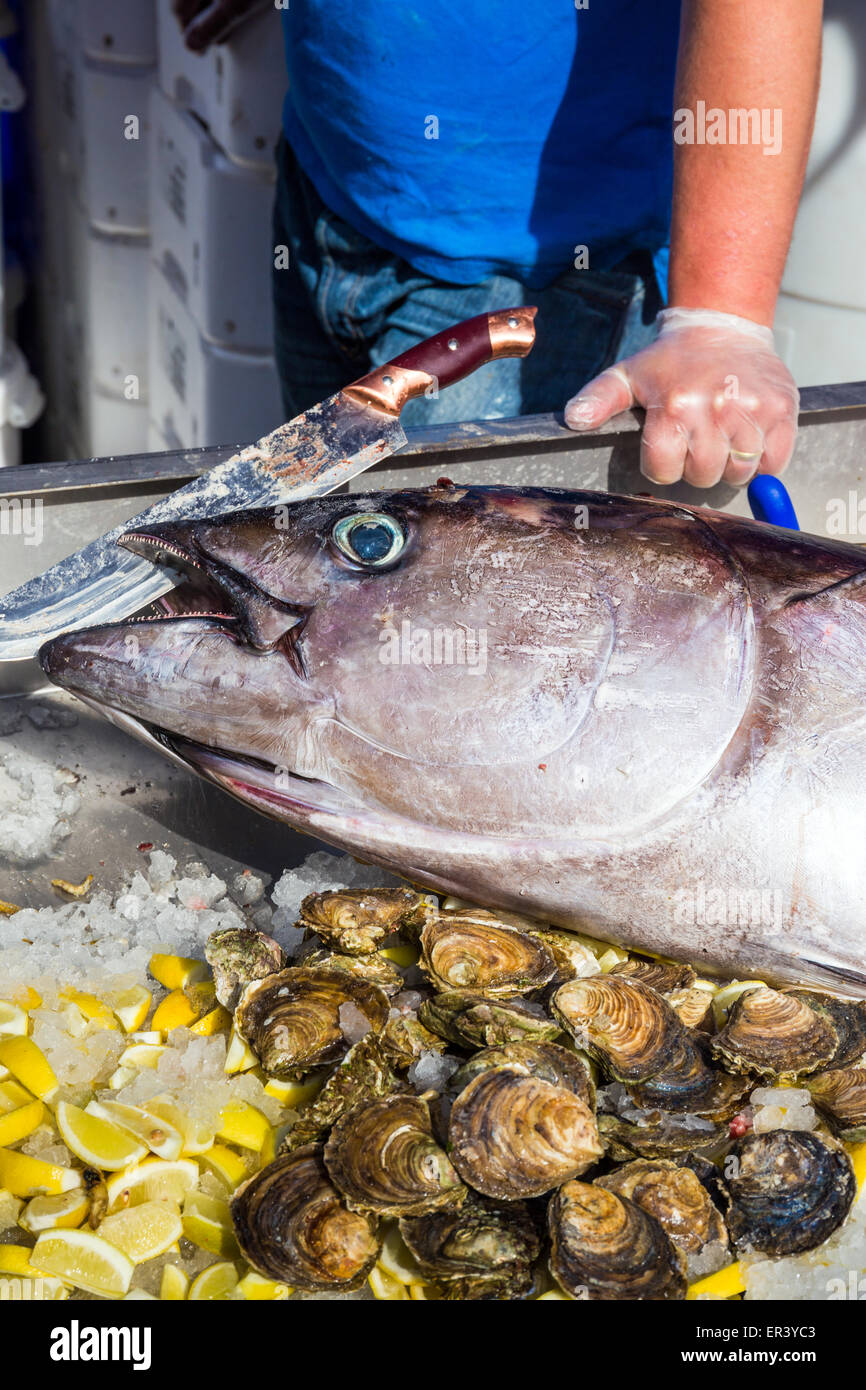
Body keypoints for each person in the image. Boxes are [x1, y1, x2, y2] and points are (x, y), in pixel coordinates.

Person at [172, 0, 818, 489]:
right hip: (332, 192)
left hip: (548, 286)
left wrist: (719, 319)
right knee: (325, 571)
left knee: (459, 633)